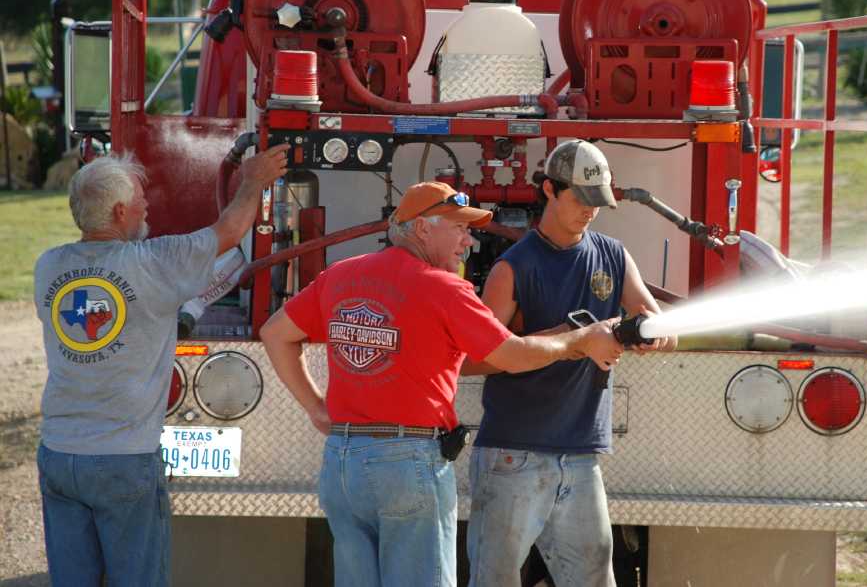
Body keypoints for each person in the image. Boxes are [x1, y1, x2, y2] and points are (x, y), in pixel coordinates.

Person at [259, 181, 625, 587]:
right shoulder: (444, 288)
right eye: (459, 228)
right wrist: (578, 339)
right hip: (408, 464)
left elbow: (275, 333)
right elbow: (511, 355)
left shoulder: (341, 276)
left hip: (342, 464)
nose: (469, 241)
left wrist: (315, 406)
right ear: (422, 229)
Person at [33, 144, 288, 587]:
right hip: (124, 459)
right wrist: (252, 181)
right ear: (117, 212)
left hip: (58, 454)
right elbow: (228, 233)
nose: (146, 205)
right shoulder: (152, 264)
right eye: (138, 199)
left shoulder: (48, 266)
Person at [466, 140, 674, 586]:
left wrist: (649, 334)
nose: (590, 211)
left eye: (598, 201)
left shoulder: (614, 255)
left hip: (580, 457)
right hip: (513, 455)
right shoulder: (512, 269)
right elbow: (471, 359)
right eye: (580, 199)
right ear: (549, 190)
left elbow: (657, 322)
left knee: (595, 579)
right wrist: (574, 340)